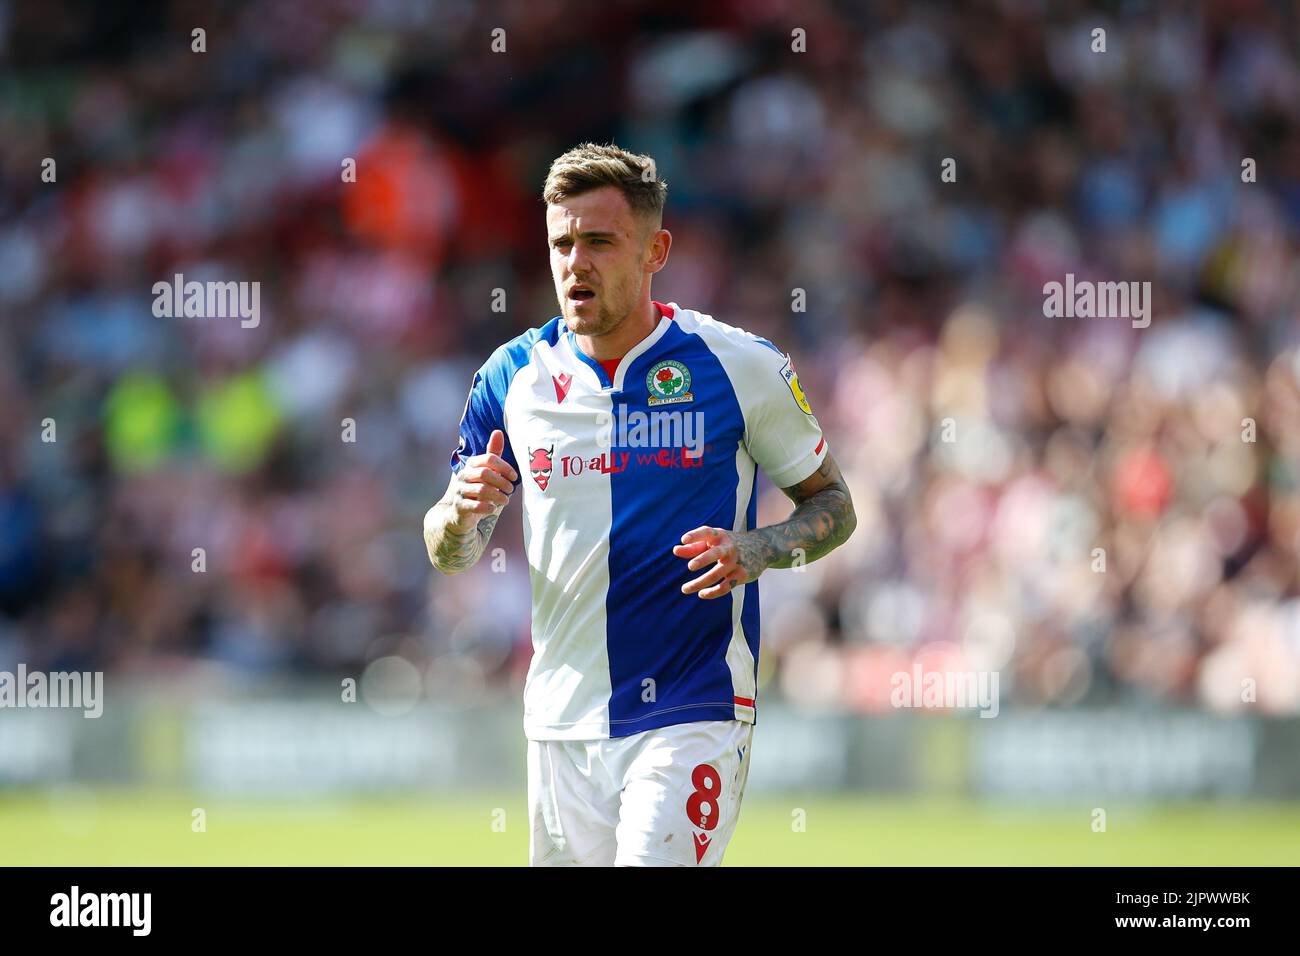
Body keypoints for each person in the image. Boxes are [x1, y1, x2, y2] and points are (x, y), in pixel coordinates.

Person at [424, 142, 857, 866]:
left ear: (655, 250)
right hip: (561, 721)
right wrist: (459, 517)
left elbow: (835, 507)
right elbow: (447, 551)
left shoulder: (738, 365)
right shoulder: (511, 378)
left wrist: (760, 549)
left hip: (693, 707)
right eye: (562, 242)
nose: (575, 262)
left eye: (599, 241)